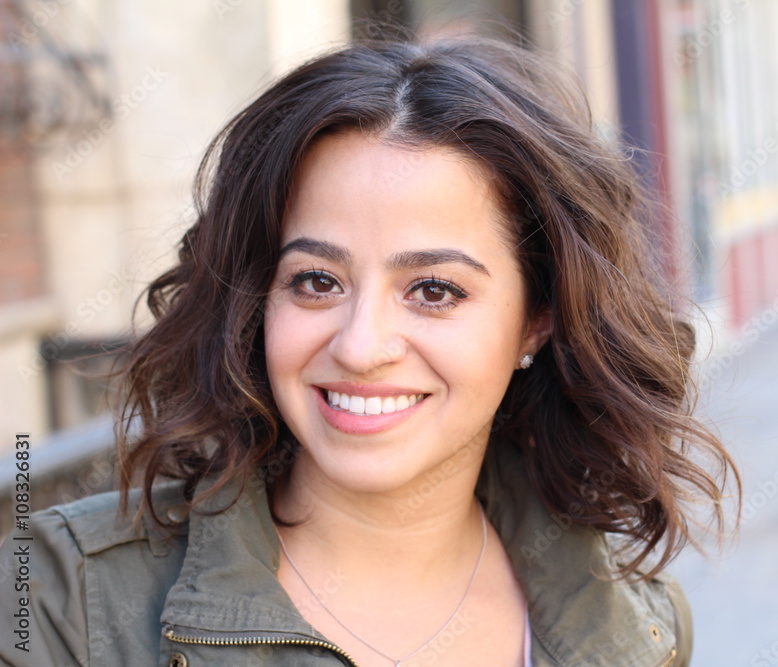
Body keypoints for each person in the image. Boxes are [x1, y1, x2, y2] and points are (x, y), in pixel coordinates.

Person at [0, 34, 737, 666]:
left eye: (434, 291)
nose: (360, 346)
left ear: (535, 321)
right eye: (317, 280)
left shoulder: (639, 630)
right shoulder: (65, 599)